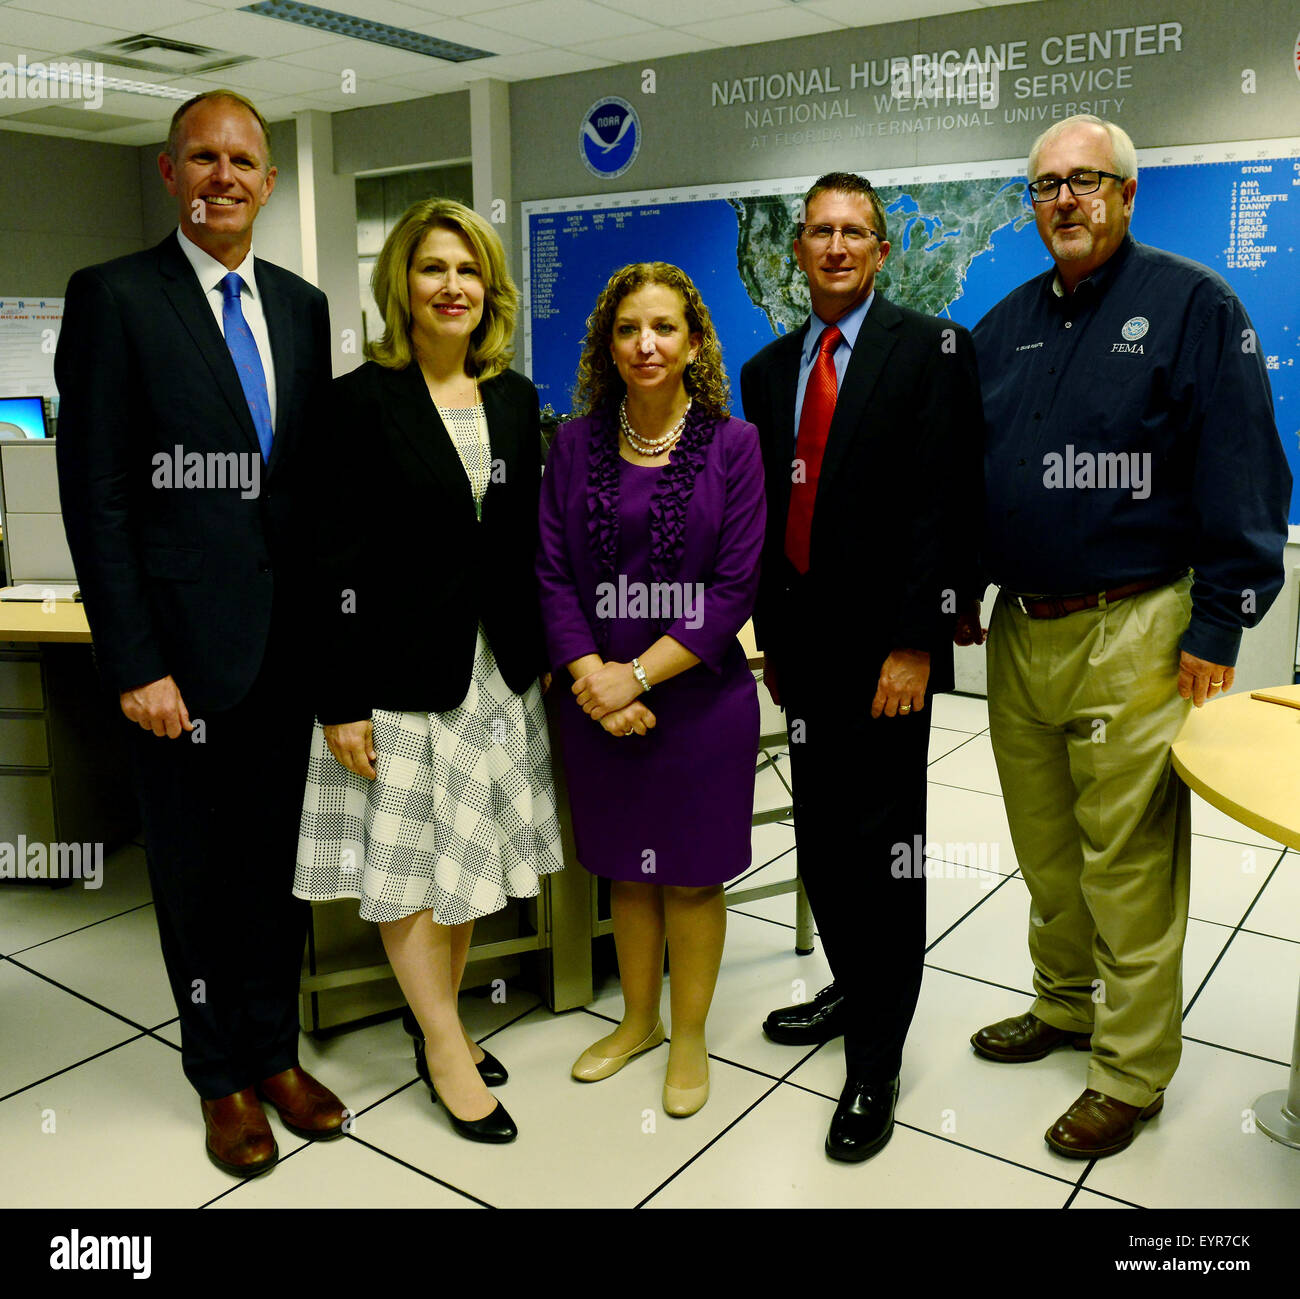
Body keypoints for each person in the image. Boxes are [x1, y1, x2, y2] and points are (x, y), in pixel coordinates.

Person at [963, 115, 1291, 1159]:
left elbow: (1243, 470)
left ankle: (1131, 1068)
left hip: (1139, 628)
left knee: (1127, 864)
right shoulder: (1002, 324)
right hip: (1024, 630)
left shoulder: (1194, 306)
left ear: (1126, 193)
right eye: (1047, 185)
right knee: (1047, 851)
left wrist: (1218, 622)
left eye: (1086, 181)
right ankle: (1062, 1005)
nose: (1065, 199)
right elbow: (971, 480)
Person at [54, 91, 346, 1178]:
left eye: (245, 162)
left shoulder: (303, 307)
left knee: (275, 868)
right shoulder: (116, 298)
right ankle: (218, 1075)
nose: (225, 177)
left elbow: (304, 496)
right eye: (204, 158)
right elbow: (99, 496)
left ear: (270, 183)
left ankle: (273, 1052)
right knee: (192, 874)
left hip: (282, 654)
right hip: (178, 663)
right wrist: (135, 662)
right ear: (171, 171)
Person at [294, 198, 562, 1145]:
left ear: (490, 289)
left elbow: (528, 542)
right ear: (400, 285)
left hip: (494, 674)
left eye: (469, 270)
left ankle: (435, 1024)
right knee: (410, 870)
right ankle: (447, 1049)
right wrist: (339, 701)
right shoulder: (355, 403)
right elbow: (324, 564)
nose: (453, 287)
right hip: (396, 678)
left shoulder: (515, 398)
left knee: (463, 863)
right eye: (432, 268)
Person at [741, 172, 983, 1161]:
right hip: (801, 651)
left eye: (854, 232)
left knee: (886, 852)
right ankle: (851, 985)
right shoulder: (765, 373)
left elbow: (948, 502)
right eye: (818, 232)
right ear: (797, 249)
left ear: (882, 250)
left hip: (888, 654)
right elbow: (759, 518)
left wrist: (914, 642)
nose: (835, 247)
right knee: (822, 840)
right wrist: (763, 635)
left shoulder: (930, 349)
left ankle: (875, 1058)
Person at [536, 263, 764, 1118]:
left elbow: (732, 590)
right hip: (594, 699)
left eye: (665, 327)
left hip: (699, 702)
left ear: (694, 342)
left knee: (692, 877)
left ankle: (691, 1033)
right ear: (608, 343)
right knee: (628, 875)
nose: (646, 344)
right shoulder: (573, 444)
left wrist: (632, 676)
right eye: (629, 328)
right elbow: (552, 573)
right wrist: (591, 678)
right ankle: (636, 1020)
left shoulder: (733, 447)